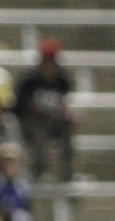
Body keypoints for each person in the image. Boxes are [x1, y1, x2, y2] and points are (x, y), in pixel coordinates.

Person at [14, 39, 74, 182]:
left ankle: (67, 171)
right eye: (46, 60)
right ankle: (39, 172)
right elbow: (24, 108)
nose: (49, 65)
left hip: (52, 119)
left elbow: (62, 104)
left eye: (52, 61)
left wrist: (64, 115)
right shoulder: (29, 80)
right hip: (29, 122)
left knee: (67, 127)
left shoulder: (62, 80)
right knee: (38, 132)